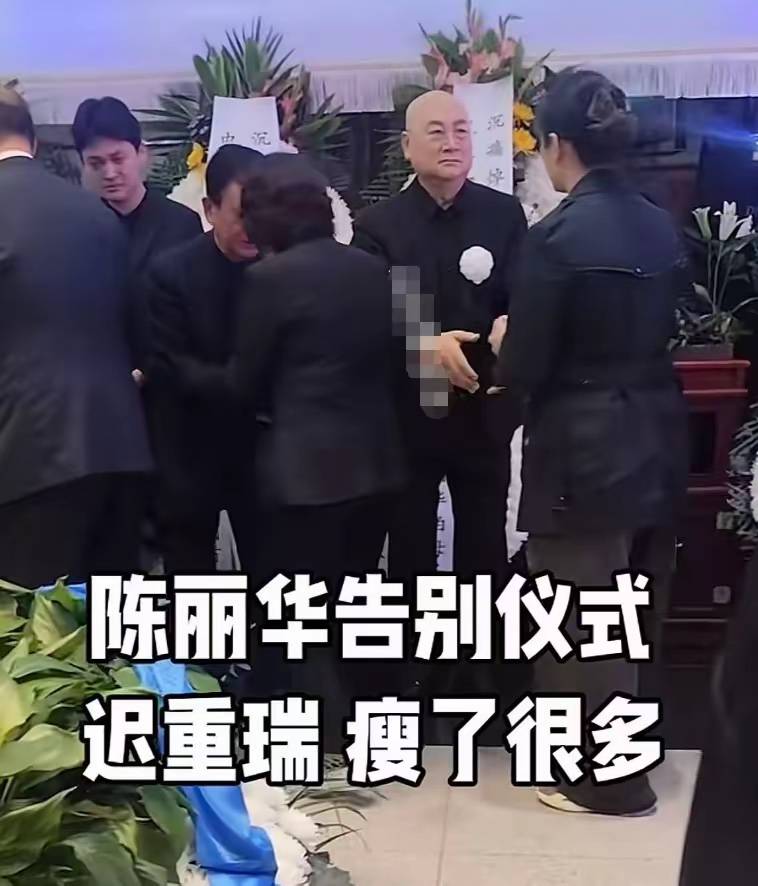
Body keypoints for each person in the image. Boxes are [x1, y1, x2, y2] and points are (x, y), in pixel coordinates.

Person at [492, 70, 689, 816]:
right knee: (633, 608)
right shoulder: (658, 222)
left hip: (581, 444)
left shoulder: (556, 237)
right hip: (656, 431)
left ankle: (606, 781)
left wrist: (505, 338)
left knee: (577, 614)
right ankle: (631, 753)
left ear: (555, 146)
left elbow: (523, 368)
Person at [231, 154, 406, 743]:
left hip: (303, 471)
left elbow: (245, 381)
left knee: (296, 611)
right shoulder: (372, 269)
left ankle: (311, 732)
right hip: (376, 463)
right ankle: (366, 723)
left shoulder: (267, 281)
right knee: (355, 601)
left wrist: (183, 372)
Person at [352, 90, 526, 589]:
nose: (451, 143)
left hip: (484, 406)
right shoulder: (378, 226)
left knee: (484, 545)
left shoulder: (503, 214)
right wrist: (424, 341)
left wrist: (511, 321)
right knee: (410, 545)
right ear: (408, 146)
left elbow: (522, 291)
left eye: (461, 131)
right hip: (411, 410)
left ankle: (479, 638)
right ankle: (417, 640)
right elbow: (371, 310)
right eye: (436, 132)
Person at [0, 87, 153, 588]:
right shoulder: (96, 214)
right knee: (114, 615)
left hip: (28, 450)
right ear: (34, 141)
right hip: (119, 440)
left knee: (34, 623)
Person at [144, 144, 264, 574]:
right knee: (194, 588)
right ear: (210, 210)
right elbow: (169, 365)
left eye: (261, 212)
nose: (253, 227)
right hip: (190, 453)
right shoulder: (171, 273)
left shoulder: (283, 267)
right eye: (240, 213)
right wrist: (246, 382)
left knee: (276, 585)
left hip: (263, 457)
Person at [72, 96, 202, 362]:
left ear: (141, 153)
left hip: (167, 370)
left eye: (118, 159)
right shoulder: (76, 228)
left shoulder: (181, 223)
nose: (109, 173)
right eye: (96, 163)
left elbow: (195, 311)